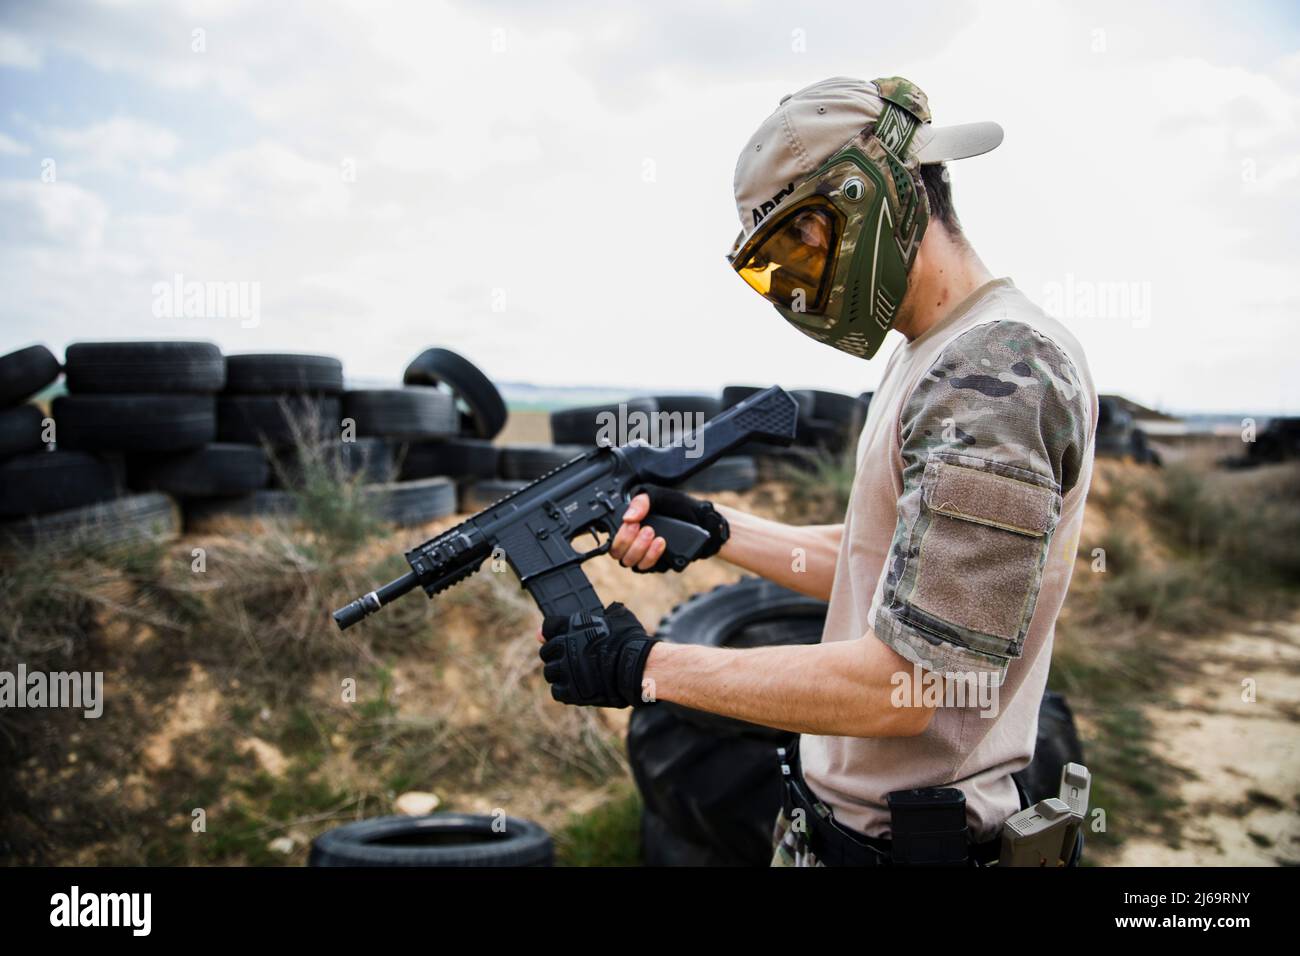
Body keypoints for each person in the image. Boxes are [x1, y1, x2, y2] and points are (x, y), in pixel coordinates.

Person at [537, 76, 1097, 866]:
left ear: (880, 192)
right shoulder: (934, 352)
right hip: (844, 830)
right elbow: (891, 575)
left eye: (807, 241)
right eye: (776, 265)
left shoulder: (997, 369)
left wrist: (649, 668)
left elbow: (903, 685)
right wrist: (724, 530)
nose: (799, 285)